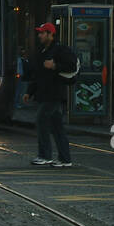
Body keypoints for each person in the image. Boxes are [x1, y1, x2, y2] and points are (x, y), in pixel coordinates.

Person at [22, 22, 79, 167]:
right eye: (39, 33)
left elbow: (72, 65)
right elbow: (38, 75)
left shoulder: (59, 49)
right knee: (57, 127)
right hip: (45, 94)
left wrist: (55, 66)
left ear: (50, 34)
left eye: (42, 33)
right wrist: (29, 92)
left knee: (41, 121)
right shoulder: (42, 51)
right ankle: (65, 159)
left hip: (54, 94)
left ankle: (45, 155)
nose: (39, 35)